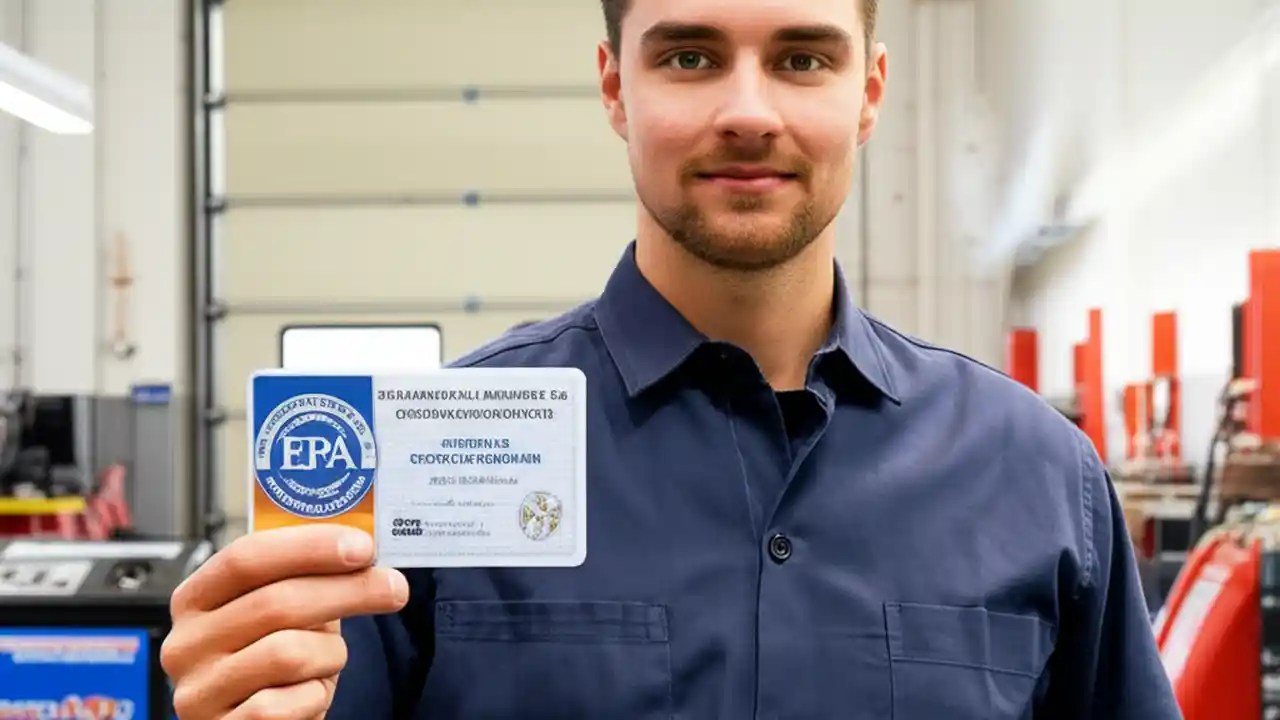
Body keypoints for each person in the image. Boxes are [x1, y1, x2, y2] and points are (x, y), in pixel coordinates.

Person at [160, 0, 1184, 717]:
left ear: (868, 92)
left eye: (803, 59)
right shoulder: (412, 472)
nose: (748, 112)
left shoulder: (1035, 474)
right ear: (615, 87)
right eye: (689, 57)